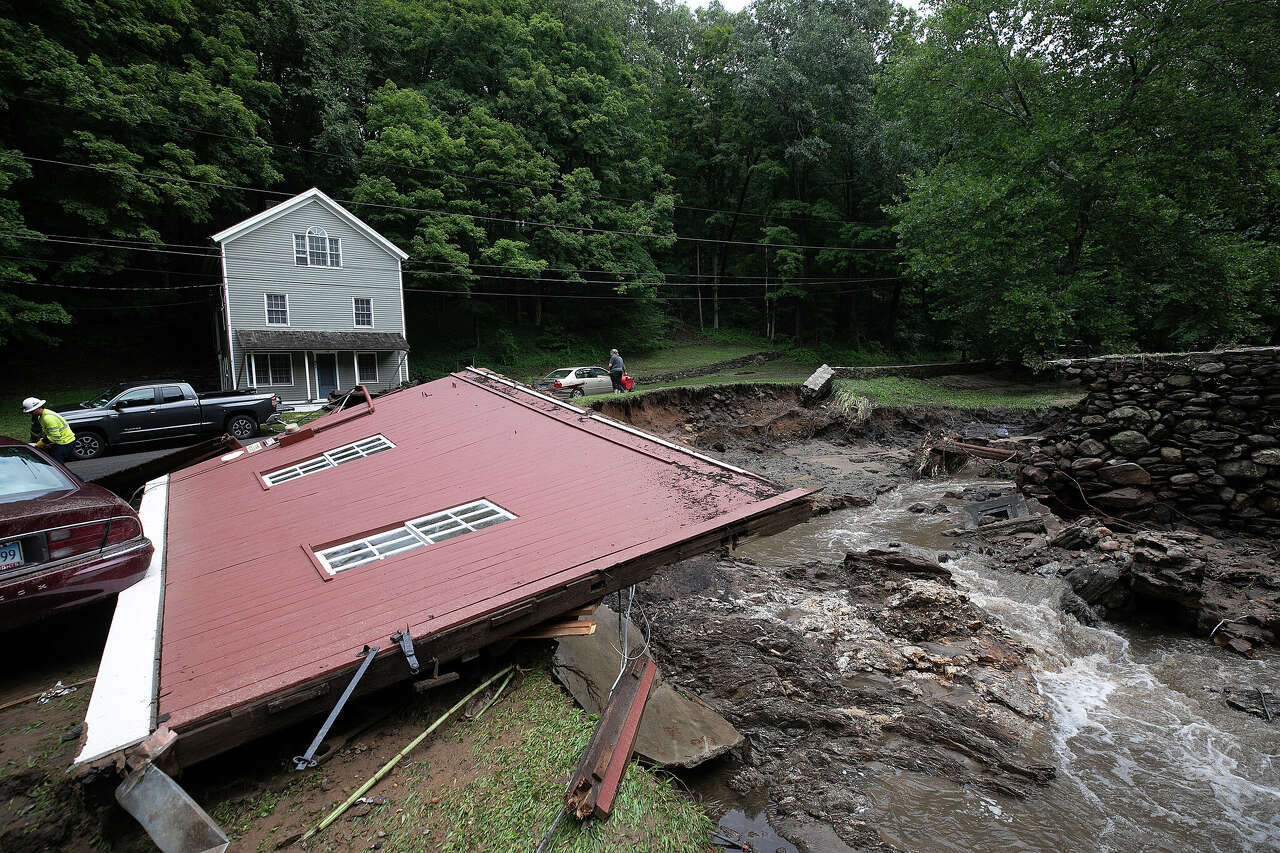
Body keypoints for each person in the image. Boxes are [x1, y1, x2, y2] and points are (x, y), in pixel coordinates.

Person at [23, 397, 77, 464]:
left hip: (65, 443)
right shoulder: (42, 415)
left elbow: (55, 437)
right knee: (54, 463)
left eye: (31, 411)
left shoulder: (47, 418)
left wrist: (41, 442)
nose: (30, 413)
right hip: (61, 442)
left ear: (38, 408)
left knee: (57, 466)